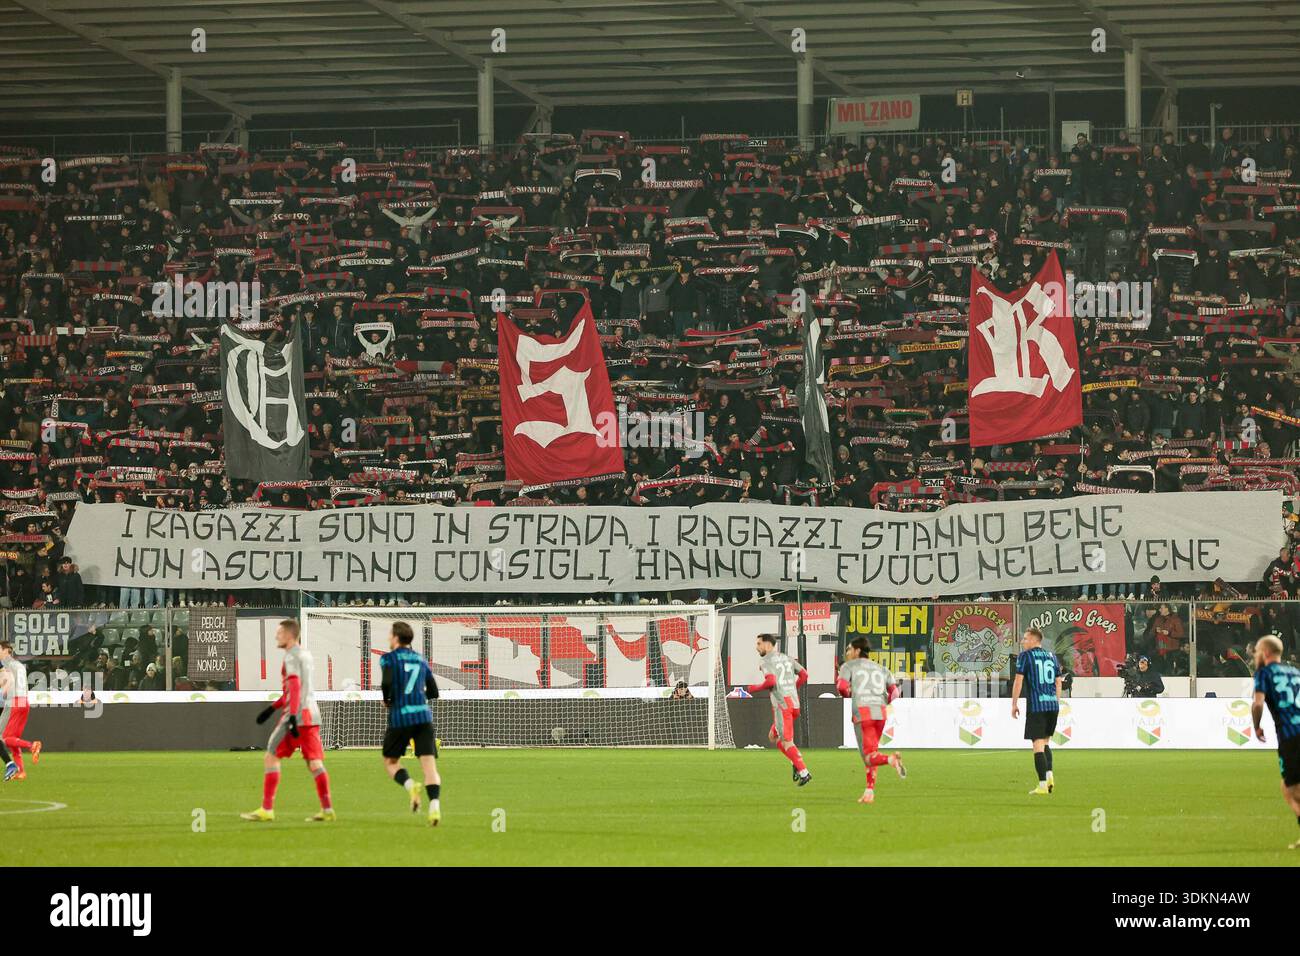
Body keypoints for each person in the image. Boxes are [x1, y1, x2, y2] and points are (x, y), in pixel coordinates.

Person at [241, 620, 335, 823]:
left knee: (271, 756)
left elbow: (293, 686)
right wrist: (271, 709)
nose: (277, 636)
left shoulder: (291, 656)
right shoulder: (306, 655)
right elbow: (298, 689)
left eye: (280, 633)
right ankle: (327, 809)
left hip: (297, 715)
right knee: (314, 762)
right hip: (312, 714)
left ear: (290, 635)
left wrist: (291, 716)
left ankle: (267, 808)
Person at [378, 621, 442, 827]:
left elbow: (387, 683)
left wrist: (388, 700)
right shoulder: (420, 659)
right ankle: (434, 807)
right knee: (429, 767)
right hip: (423, 717)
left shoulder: (388, 659)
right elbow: (434, 691)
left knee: (390, 762)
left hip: (400, 717)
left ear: (396, 637)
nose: (389, 638)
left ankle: (411, 785)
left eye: (390, 634)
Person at [835, 637, 905, 804]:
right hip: (880, 712)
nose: (847, 653)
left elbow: (842, 688)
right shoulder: (882, 668)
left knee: (867, 756)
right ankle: (869, 792)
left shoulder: (848, 666)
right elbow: (895, 693)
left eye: (849, 649)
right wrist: (881, 702)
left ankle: (891, 760)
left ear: (858, 651)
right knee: (872, 752)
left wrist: (851, 695)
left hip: (863, 712)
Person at [1251, 634, 1300, 849]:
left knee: (1291, 789)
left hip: (1291, 736)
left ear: (1266, 653)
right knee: (1288, 786)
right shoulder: (1295, 672)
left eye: (1257, 651)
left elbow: (1258, 704)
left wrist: (1257, 725)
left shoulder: (1264, 673)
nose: (1255, 655)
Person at [747, 633, 811, 786]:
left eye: (759, 644)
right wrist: (792, 688)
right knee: (773, 736)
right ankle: (795, 761)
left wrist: (753, 688)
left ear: (768, 645)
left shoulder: (765, 661)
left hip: (782, 705)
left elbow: (771, 681)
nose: (757, 648)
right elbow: (804, 674)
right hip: (794, 703)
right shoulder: (787, 658)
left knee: (787, 741)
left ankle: (804, 771)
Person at [1011, 627, 1063, 796]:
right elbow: (1058, 682)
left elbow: (1019, 681)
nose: (1023, 641)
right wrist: (1055, 701)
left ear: (1034, 640)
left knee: (1038, 745)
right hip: (1052, 706)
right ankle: (1049, 776)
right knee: (1046, 742)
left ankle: (1042, 785)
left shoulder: (1025, 656)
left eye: (1025, 638)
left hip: (1037, 706)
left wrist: (1014, 703)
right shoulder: (1052, 656)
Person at [0, 641, 40, 780]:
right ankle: (21, 771)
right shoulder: (19, 665)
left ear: (6, 651)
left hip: (15, 702)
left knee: (5, 738)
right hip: (24, 701)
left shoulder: (7, 664)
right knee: (13, 739)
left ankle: (31, 745)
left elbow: (6, 682)